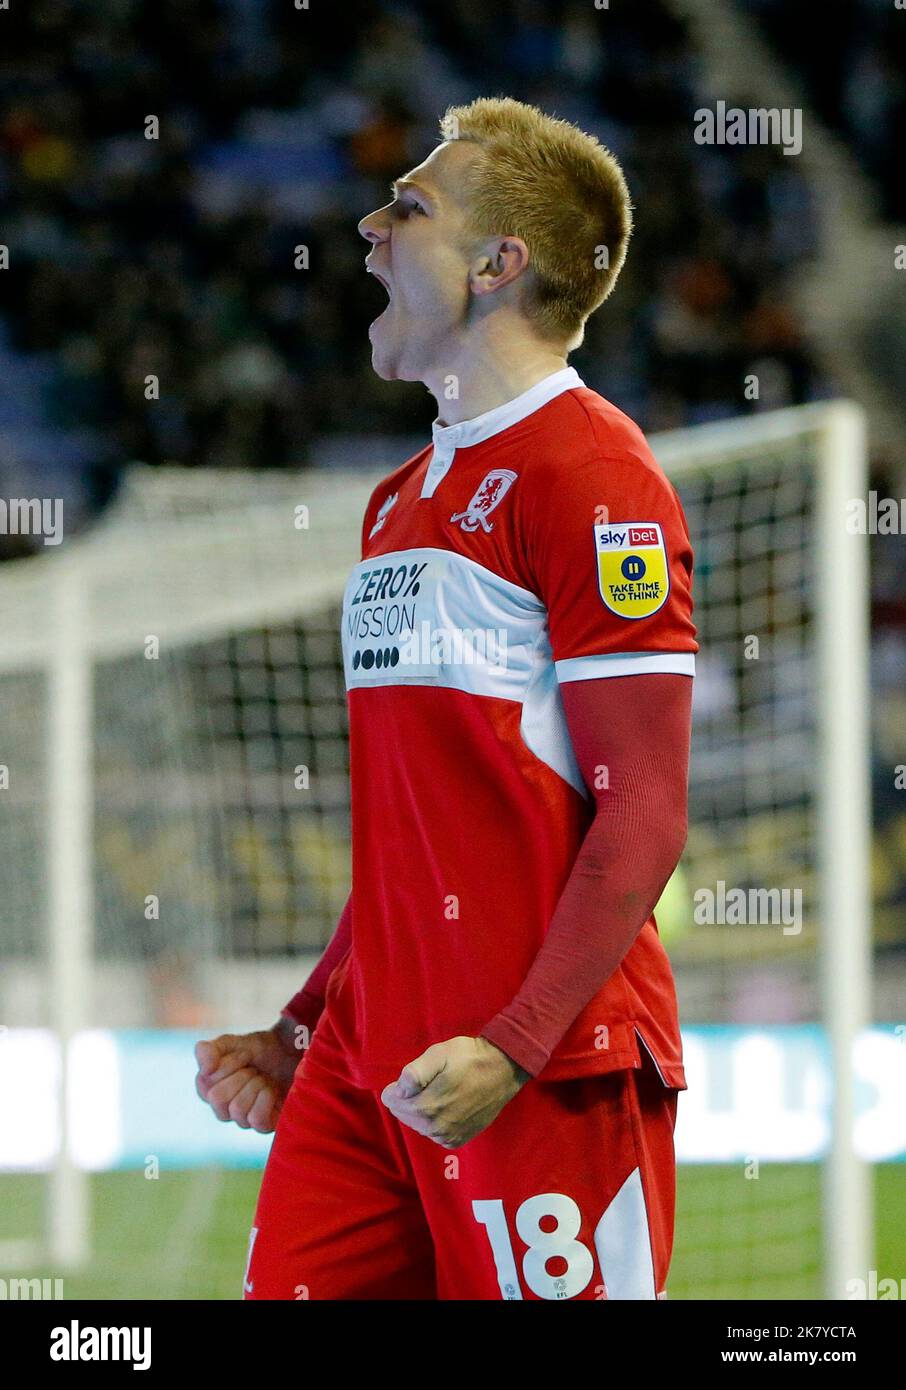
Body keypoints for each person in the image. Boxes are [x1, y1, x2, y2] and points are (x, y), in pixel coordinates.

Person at [195, 96, 697, 1301]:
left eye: (407, 208)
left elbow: (646, 816)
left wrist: (515, 1048)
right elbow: (417, 840)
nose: (368, 230)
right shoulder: (395, 501)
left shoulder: (594, 474)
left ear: (496, 264)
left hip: (533, 1066)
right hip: (373, 1065)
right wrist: (308, 1024)